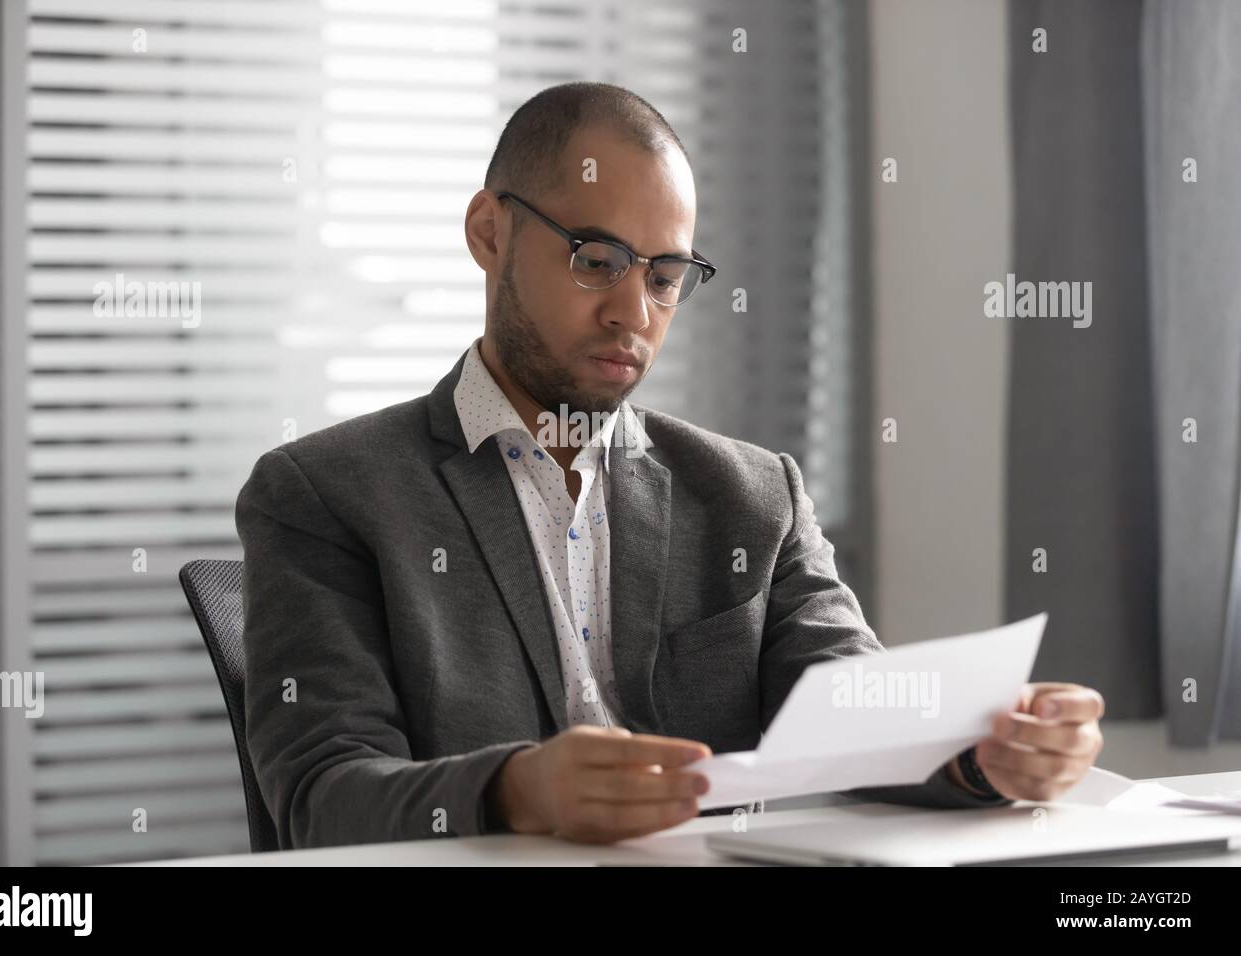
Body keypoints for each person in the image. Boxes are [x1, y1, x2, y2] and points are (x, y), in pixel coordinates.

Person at [237, 81, 1104, 849]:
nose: (633, 312)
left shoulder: (753, 495)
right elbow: (322, 799)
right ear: (489, 233)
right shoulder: (326, 495)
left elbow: (855, 716)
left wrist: (982, 752)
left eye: (664, 276)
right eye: (597, 260)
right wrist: (515, 790)